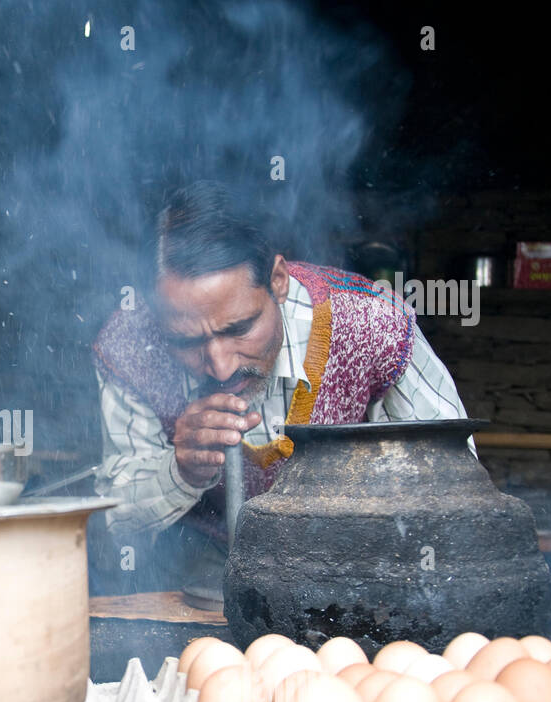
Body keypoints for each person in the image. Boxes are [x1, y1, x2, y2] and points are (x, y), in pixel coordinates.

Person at [92, 182, 468, 601]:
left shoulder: (371, 324)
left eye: (239, 329)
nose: (221, 365)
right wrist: (181, 471)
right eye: (185, 342)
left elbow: (457, 482)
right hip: (203, 569)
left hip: (359, 563)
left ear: (278, 280)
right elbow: (116, 517)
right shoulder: (129, 346)